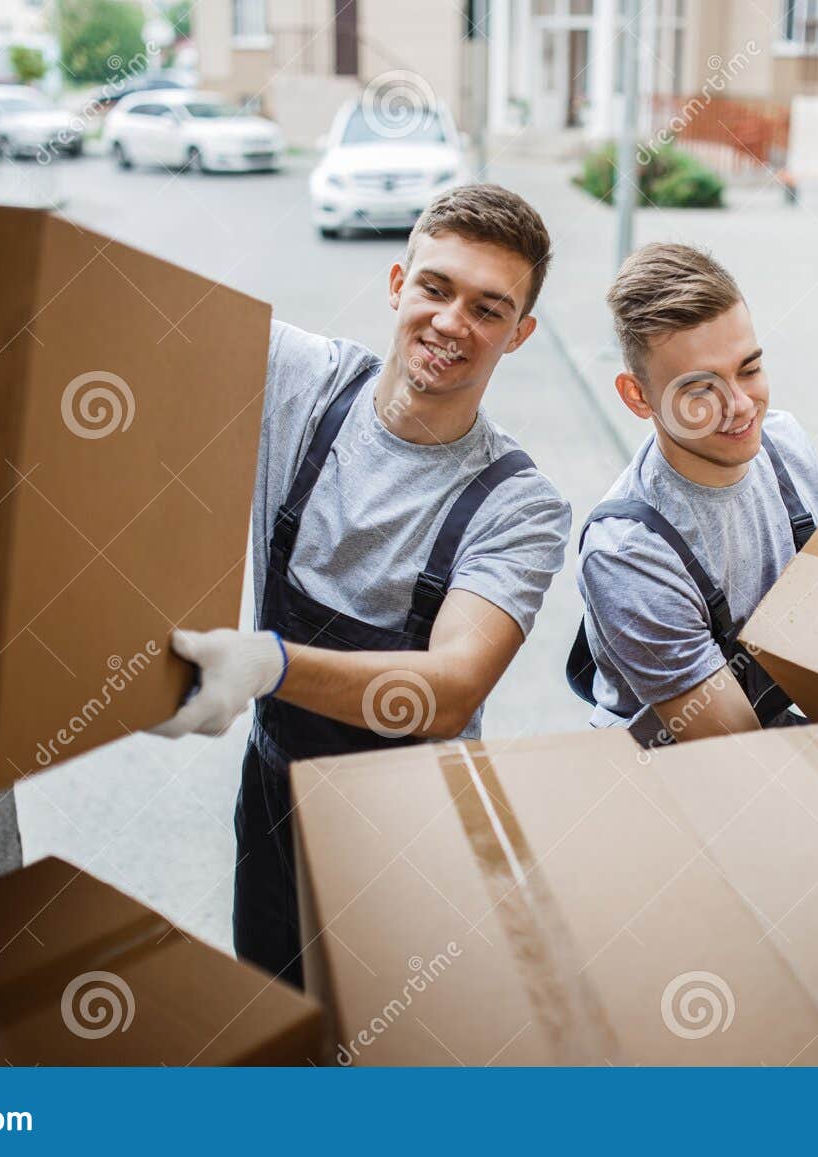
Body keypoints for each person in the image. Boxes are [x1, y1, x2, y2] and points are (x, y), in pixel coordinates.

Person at [153, 185, 571, 988]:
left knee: (392, 1055)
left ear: (519, 335)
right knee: (276, 1019)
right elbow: (142, 320)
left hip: (412, 829)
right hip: (274, 798)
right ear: (396, 285)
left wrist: (270, 665)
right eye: (436, 288)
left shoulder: (520, 505)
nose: (453, 323)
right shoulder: (303, 384)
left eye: (489, 309)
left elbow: (448, 691)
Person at [567, 242, 818, 746]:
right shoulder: (627, 552)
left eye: (749, 370)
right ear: (637, 396)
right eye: (700, 389)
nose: (739, 406)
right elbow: (734, 747)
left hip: (777, 737)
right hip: (680, 773)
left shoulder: (787, 446)